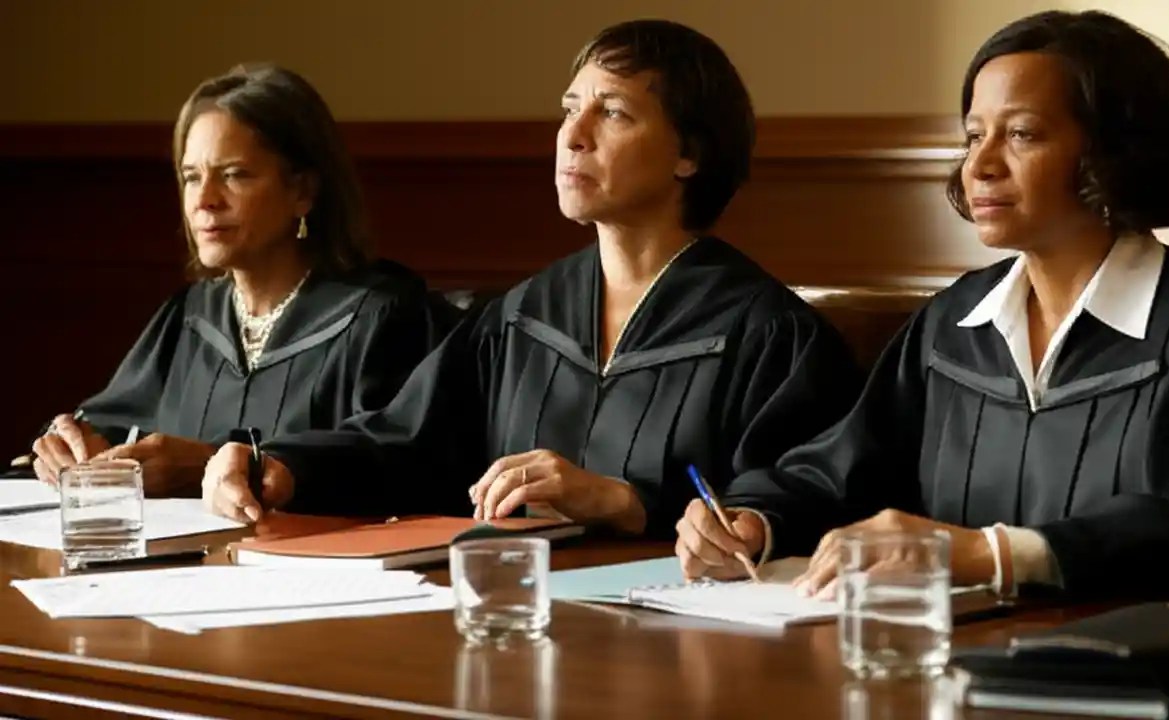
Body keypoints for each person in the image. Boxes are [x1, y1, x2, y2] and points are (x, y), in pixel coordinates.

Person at [201, 20, 864, 555]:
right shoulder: (523, 315)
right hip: (516, 622)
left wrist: (628, 501)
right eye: (570, 109)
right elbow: (404, 442)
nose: (572, 137)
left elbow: (803, 494)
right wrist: (280, 465)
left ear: (689, 153)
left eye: (613, 114)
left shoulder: (767, 334)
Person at [680, 10, 1169, 598]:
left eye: (1021, 134)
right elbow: (839, 470)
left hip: (1134, 678)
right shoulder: (953, 325)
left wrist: (996, 556)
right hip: (949, 663)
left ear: (1113, 152)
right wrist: (754, 523)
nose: (981, 164)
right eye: (973, 135)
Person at [29, 64, 457, 496]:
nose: (204, 200)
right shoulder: (190, 319)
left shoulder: (381, 317)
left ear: (303, 191)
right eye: (191, 176)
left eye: (233, 175)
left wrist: (223, 466)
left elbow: (398, 461)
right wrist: (68, 442)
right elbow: (109, 421)